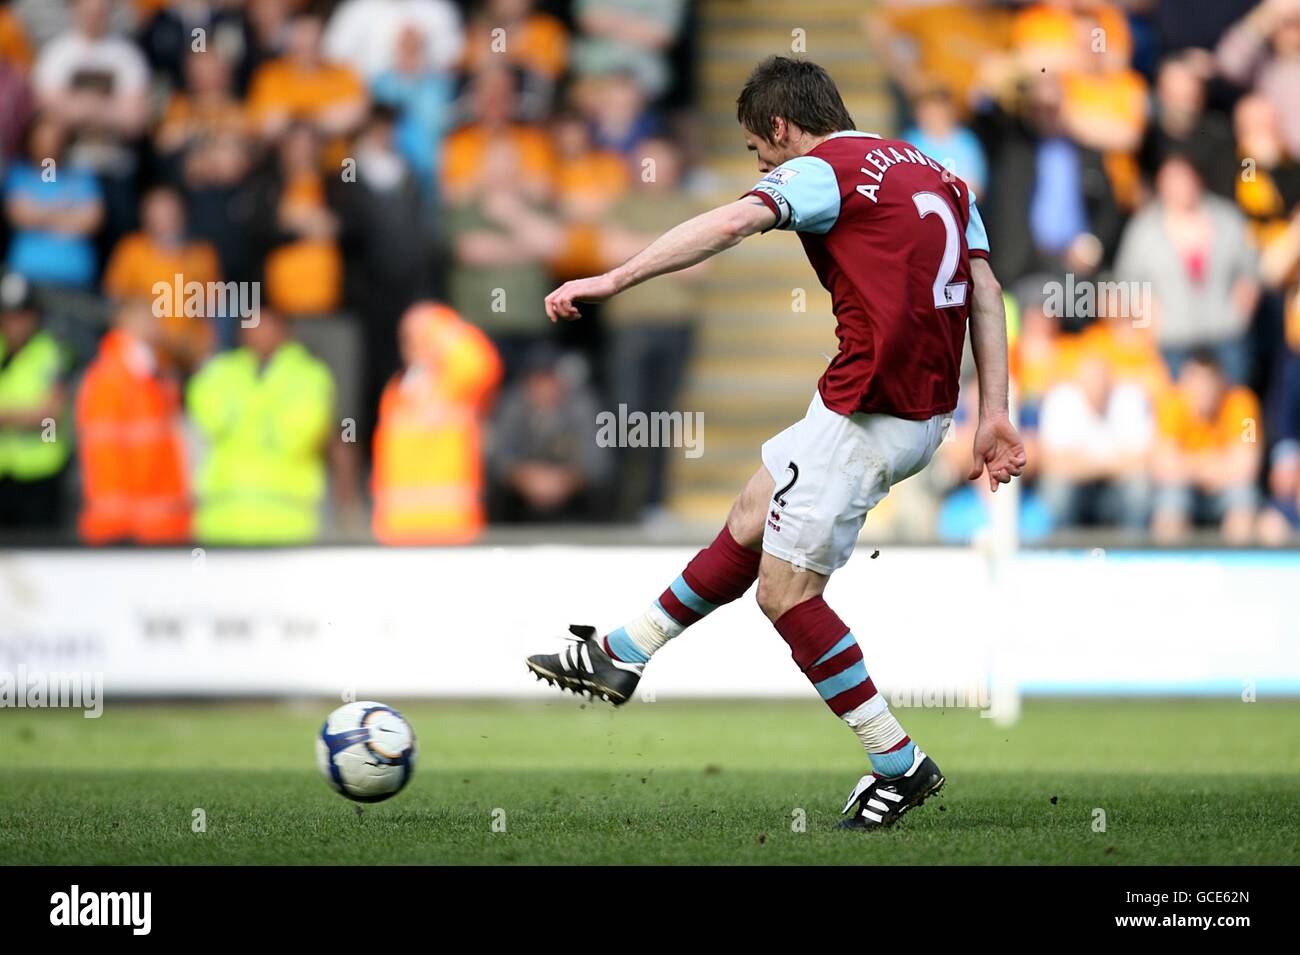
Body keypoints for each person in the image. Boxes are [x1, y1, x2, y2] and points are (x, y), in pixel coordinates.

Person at [525, 57, 1025, 831]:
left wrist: (611, 279)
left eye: (758, 149)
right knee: (754, 509)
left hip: (868, 409)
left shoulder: (825, 169)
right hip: (919, 410)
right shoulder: (940, 173)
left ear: (783, 129)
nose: (758, 164)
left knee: (784, 594)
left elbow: (729, 223)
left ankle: (898, 760)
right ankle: (626, 651)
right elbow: (986, 290)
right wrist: (994, 409)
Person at [186, 308, 334, 545]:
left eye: (265, 324)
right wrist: (266, 416)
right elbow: (208, 417)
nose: (257, 332)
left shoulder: (311, 375)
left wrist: (240, 418)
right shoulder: (220, 369)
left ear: (283, 329)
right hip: (223, 519)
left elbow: (296, 436)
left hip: (288, 520)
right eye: (251, 324)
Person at [371, 302, 501, 544]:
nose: (417, 346)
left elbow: (481, 360)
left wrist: (434, 320)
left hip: (453, 531)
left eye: (425, 339)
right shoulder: (394, 393)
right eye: (411, 340)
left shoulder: (457, 388)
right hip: (397, 533)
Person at [76, 297, 190, 544]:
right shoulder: (111, 377)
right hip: (127, 527)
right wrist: (120, 522)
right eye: (147, 316)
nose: (157, 324)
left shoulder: (155, 372)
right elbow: (104, 450)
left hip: (159, 522)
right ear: (123, 321)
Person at [1151, 349, 1262, 543]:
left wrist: (1189, 465)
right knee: (1170, 505)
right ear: (1185, 382)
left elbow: (1246, 468)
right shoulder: (1170, 404)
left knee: (1243, 502)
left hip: (1225, 490)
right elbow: (1164, 467)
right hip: (1187, 488)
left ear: (1222, 381)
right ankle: (1172, 569)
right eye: (1196, 383)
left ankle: (1235, 568)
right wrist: (1219, 464)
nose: (1203, 391)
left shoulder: (1243, 404)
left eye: (1209, 382)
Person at [0, 271, 69, 530]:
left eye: (21, 316)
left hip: (40, 473)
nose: (14, 324)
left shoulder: (51, 351)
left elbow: (51, 415)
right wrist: (28, 415)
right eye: (8, 316)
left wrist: (6, 417)